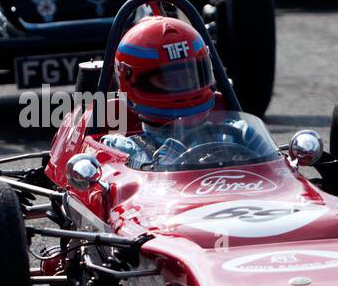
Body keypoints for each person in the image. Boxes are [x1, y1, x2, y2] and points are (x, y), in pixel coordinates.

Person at [100, 14, 266, 170]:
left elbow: (280, 178)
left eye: (190, 77)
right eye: (170, 80)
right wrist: (169, 161)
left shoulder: (239, 135)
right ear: (133, 83)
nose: (184, 86)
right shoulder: (123, 149)